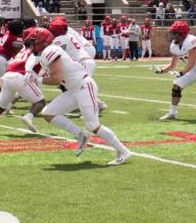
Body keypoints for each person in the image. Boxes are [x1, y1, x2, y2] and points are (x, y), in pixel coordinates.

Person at [30, 29, 131, 165]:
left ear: (42, 41)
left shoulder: (51, 51)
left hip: (83, 86)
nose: (32, 45)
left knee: (93, 125)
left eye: (33, 42)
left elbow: (57, 79)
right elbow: (51, 74)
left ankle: (123, 151)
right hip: (74, 89)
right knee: (48, 113)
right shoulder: (47, 53)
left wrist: (37, 80)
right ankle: (80, 134)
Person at [0, 29, 42, 135]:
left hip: (8, 75)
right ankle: (28, 117)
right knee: (40, 102)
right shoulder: (36, 52)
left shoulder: (22, 50)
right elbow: (33, 63)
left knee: (1, 107)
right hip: (21, 75)